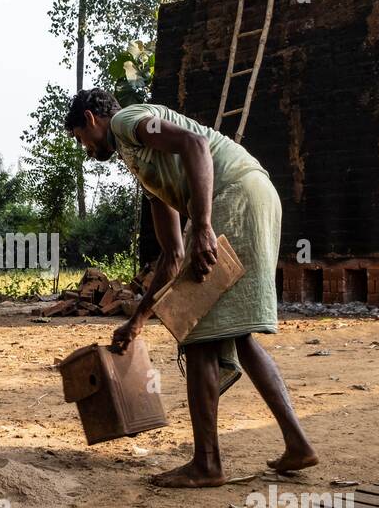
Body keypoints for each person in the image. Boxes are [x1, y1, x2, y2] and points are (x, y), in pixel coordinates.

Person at [66, 89, 318, 485]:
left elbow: (196, 144)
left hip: (231, 194)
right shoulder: (147, 168)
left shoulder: (126, 122)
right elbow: (172, 256)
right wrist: (137, 320)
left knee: (199, 331)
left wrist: (202, 225)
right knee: (237, 334)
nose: (86, 148)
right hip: (254, 193)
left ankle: (207, 464)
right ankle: (298, 443)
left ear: (90, 119)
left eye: (81, 137)